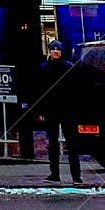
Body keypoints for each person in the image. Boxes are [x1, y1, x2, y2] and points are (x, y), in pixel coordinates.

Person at [35, 40, 82, 184]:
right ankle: (54, 174)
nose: (56, 52)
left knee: (72, 143)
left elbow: (76, 91)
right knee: (53, 144)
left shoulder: (68, 68)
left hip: (67, 110)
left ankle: (76, 176)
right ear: (49, 51)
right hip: (52, 110)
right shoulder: (44, 68)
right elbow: (40, 91)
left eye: (58, 50)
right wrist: (41, 110)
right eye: (53, 50)